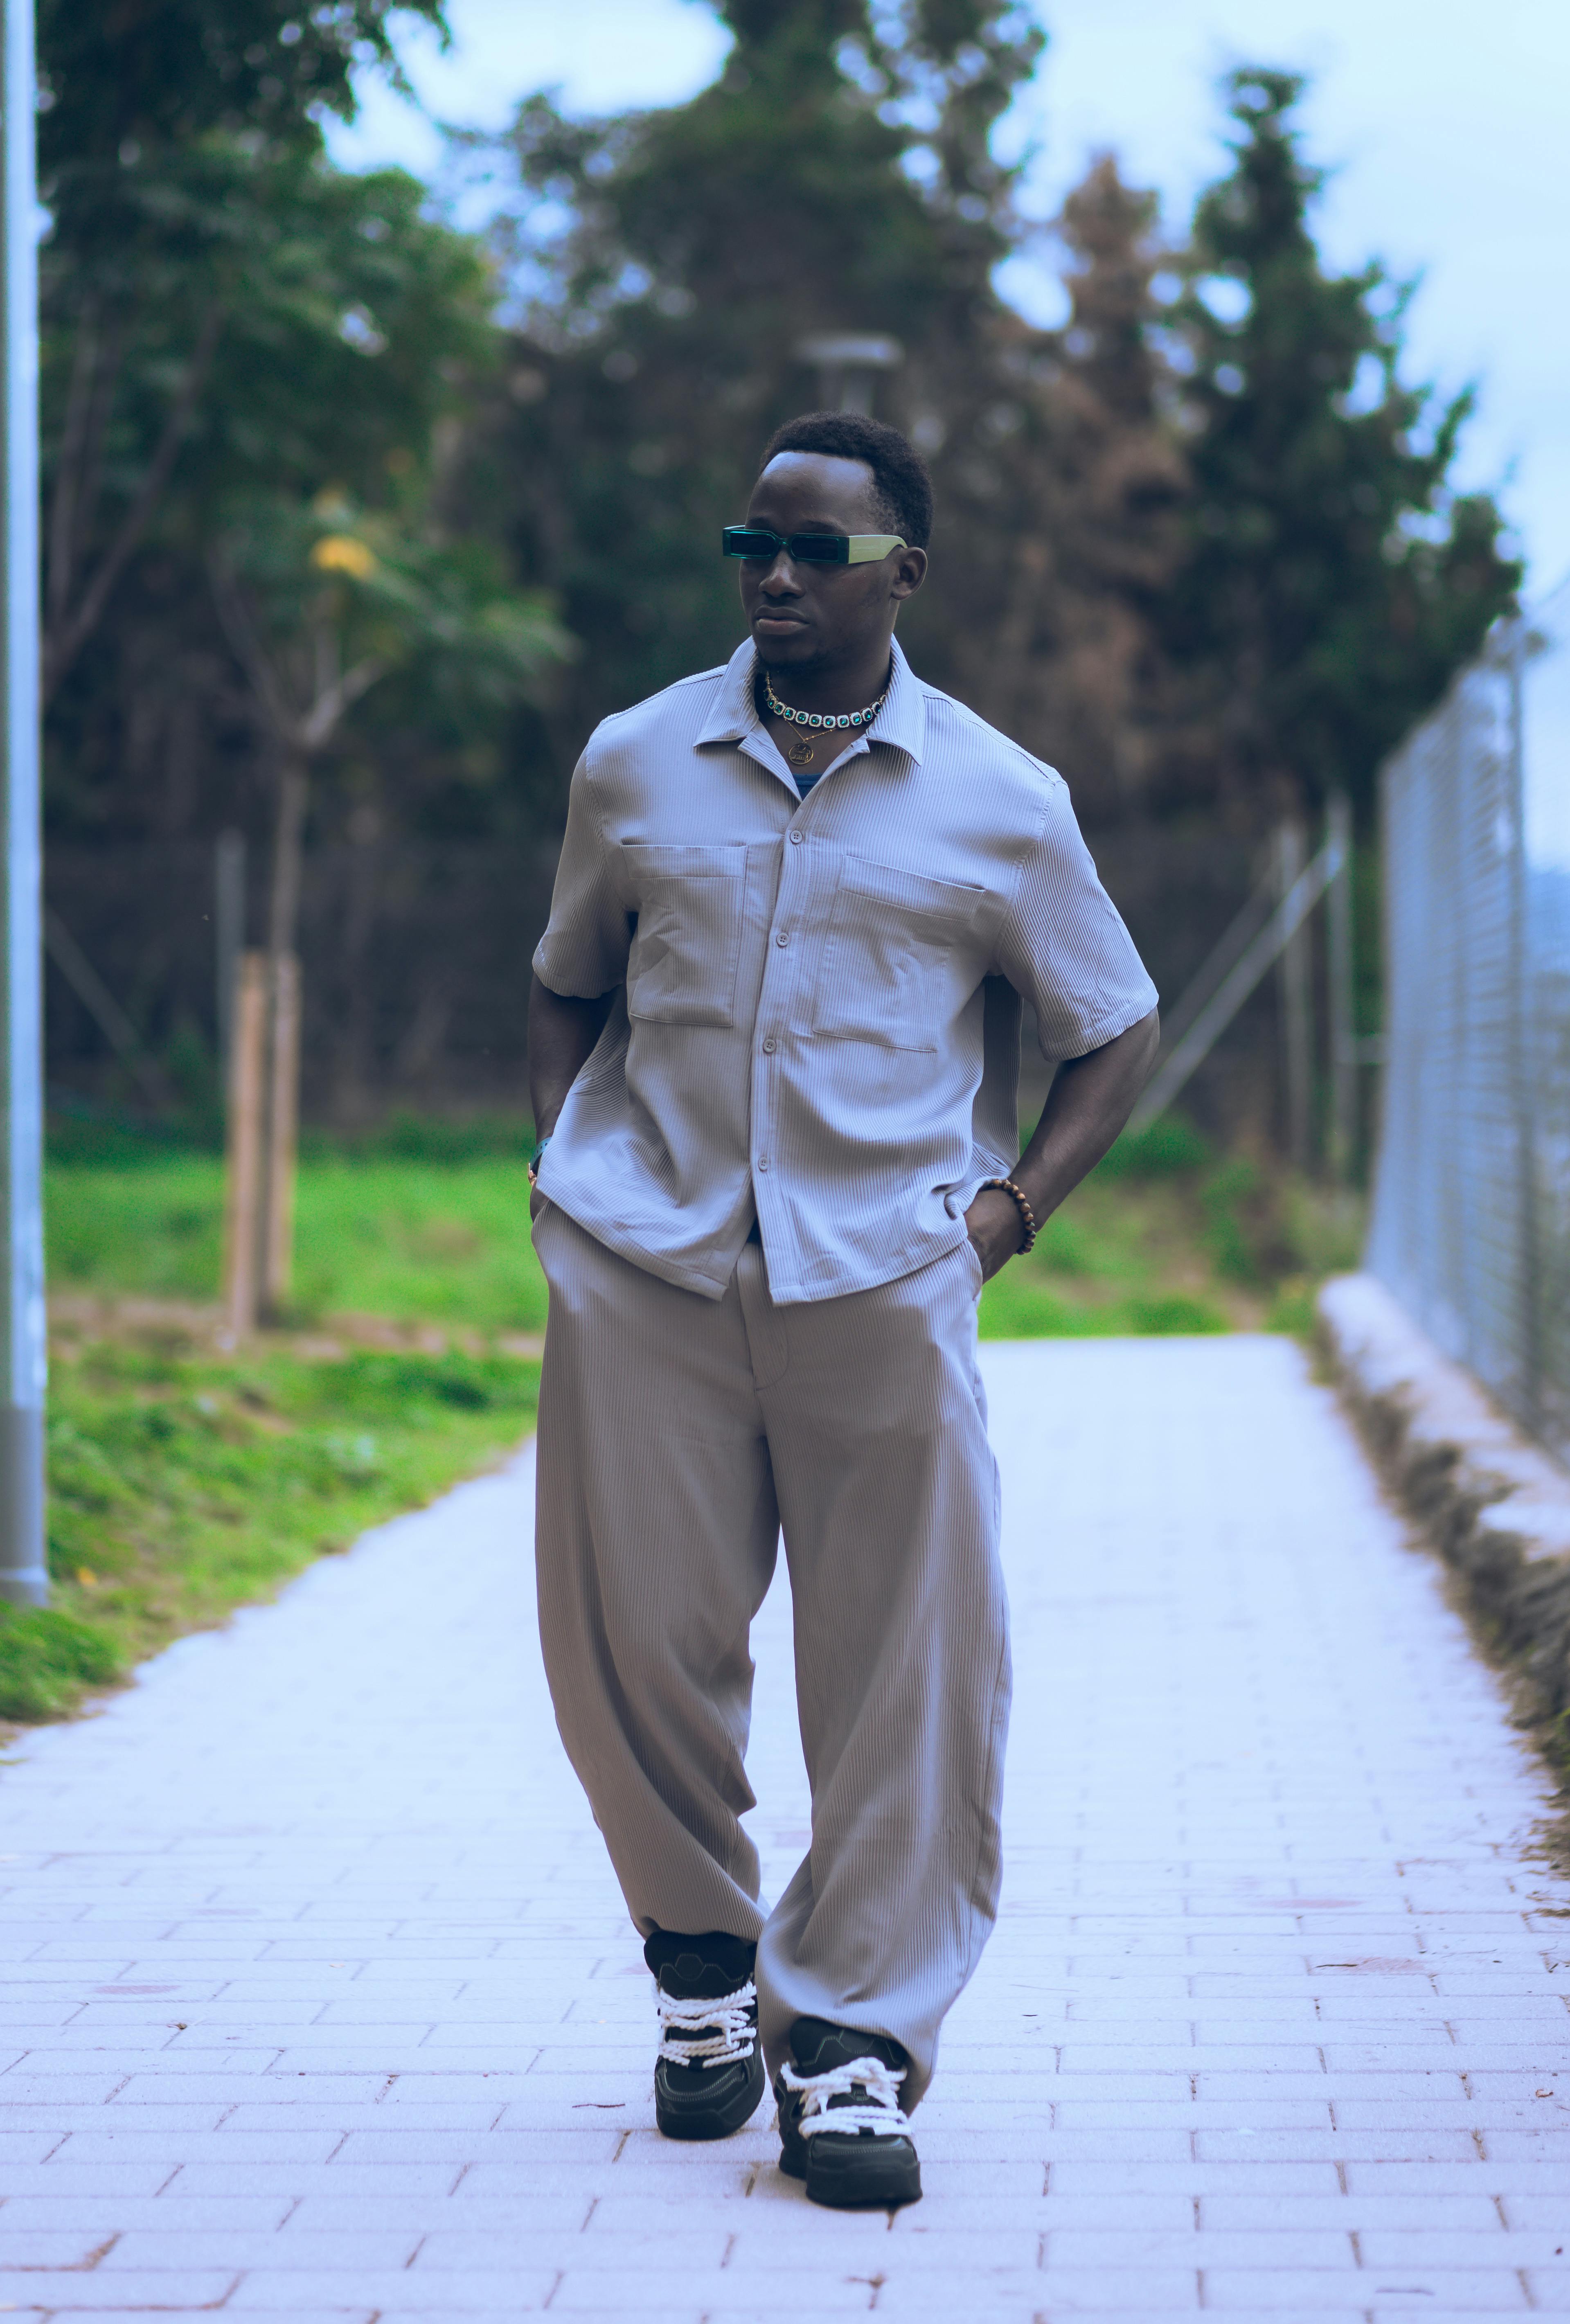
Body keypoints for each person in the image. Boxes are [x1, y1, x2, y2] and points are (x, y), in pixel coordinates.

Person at [527, 409, 1159, 2210]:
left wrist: (1007, 1214)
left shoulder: (1004, 800)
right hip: (644, 1274)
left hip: (887, 1277)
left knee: (908, 1671)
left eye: (819, 549)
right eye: (756, 547)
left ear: (906, 573)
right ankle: (706, 1972)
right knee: (628, 1644)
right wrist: (559, 1170)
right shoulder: (636, 760)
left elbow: (1114, 1022)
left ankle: (860, 2044)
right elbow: (566, 975)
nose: (780, 576)